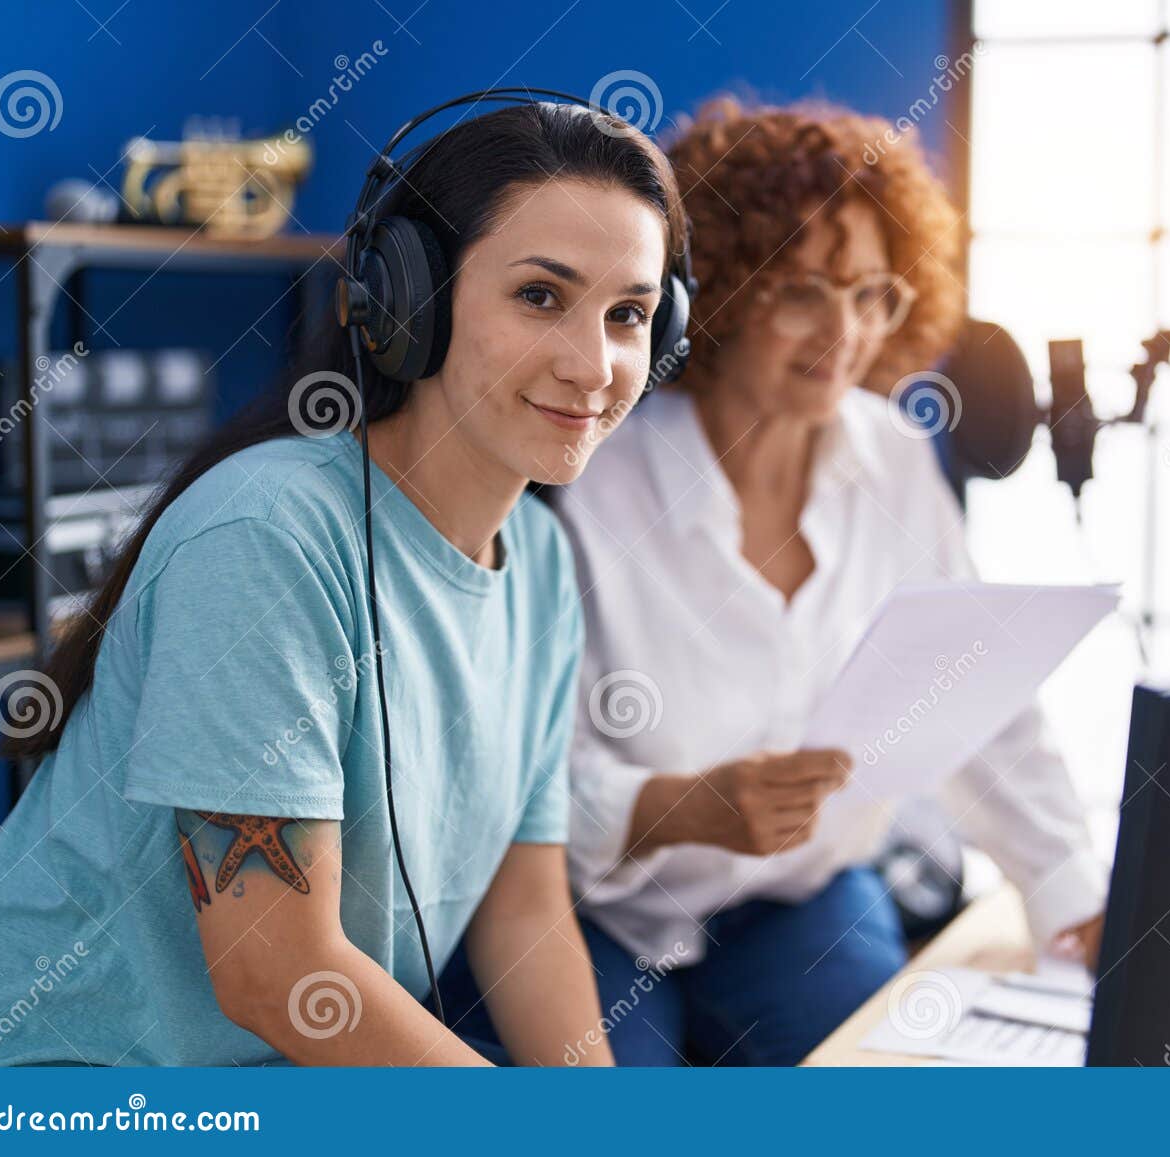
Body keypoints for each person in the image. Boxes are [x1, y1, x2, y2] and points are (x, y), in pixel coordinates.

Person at [0, 100, 686, 1066]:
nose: (592, 364)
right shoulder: (268, 537)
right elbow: (276, 970)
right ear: (410, 300)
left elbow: (525, 913)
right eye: (539, 297)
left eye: (629, 315)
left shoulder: (542, 564)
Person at [467, 97, 1105, 1066]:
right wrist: (684, 803)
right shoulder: (584, 470)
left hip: (798, 900)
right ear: (718, 288)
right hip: (596, 911)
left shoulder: (892, 455)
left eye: (872, 294)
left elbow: (976, 696)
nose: (842, 332)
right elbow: (507, 781)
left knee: (875, 1081)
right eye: (803, 289)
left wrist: (1075, 900)